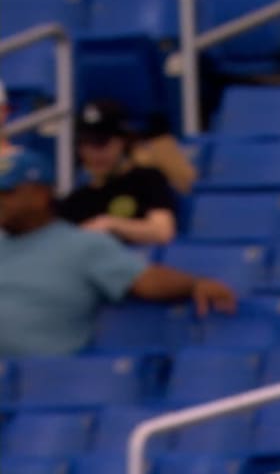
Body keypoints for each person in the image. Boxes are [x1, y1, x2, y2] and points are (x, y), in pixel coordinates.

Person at [0, 150, 237, 357]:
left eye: (6, 192)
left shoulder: (81, 245)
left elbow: (144, 280)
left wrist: (194, 283)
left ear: (41, 194)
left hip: (41, 380)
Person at [57, 101, 180, 247]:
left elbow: (162, 231)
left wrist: (110, 224)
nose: (93, 153)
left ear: (123, 142)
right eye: (85, 143)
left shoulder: (147, 179)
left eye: (101, 142)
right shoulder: (75, 201)